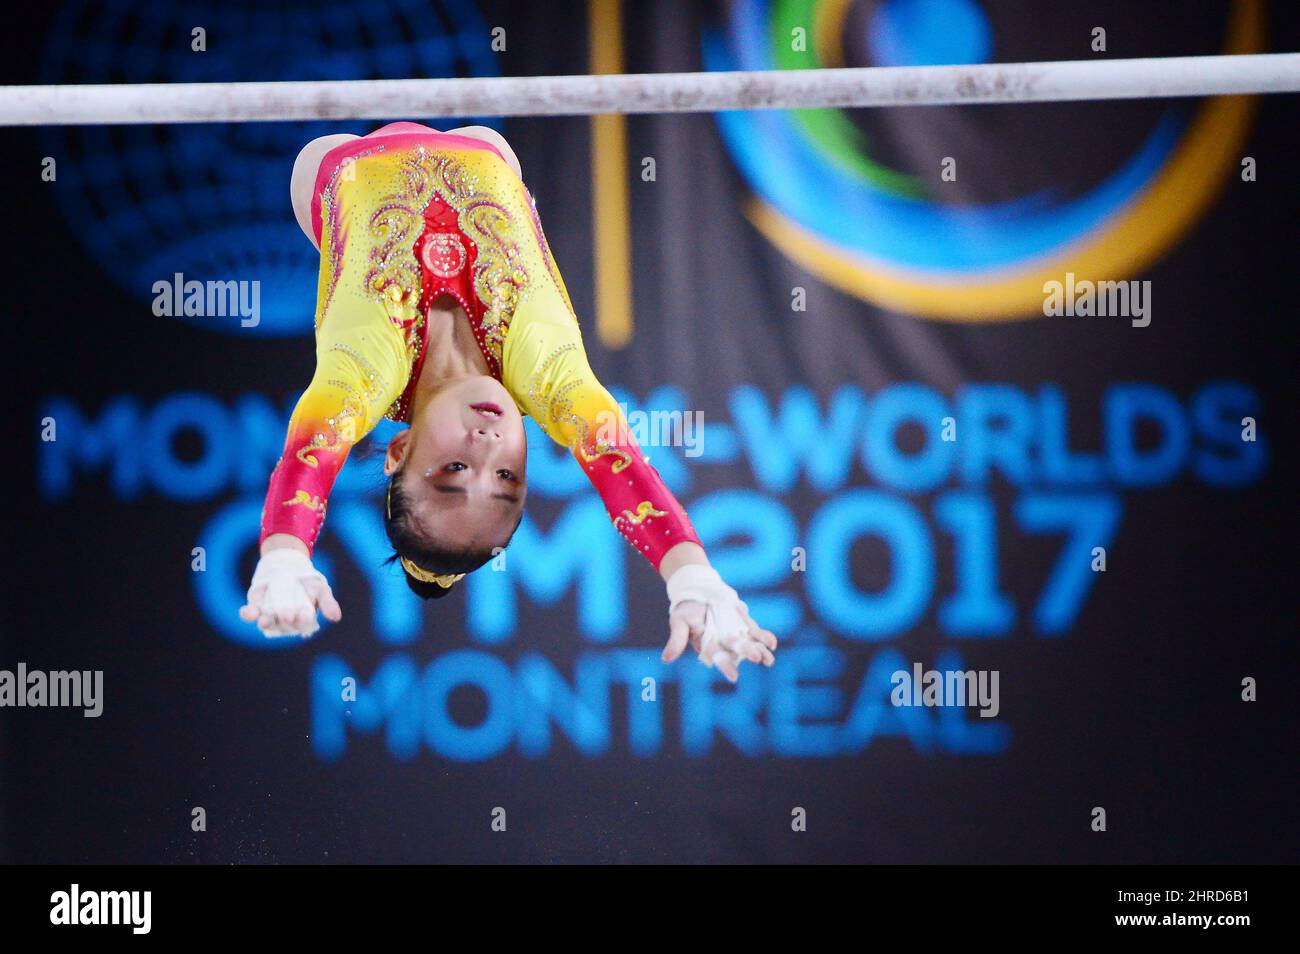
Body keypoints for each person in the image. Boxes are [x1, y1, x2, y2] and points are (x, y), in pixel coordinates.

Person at [240, 122, 776, 682]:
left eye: (453, 470)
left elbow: (313, 451)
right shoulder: (550, 375)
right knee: (494, 148)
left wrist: (285, 553)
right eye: (506, 478)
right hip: (487, 147)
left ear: (398, 450)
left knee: (313, 165)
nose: (488, 446)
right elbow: (621, 468)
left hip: (337, 163)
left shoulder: (366, 370)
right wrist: (691, 576)